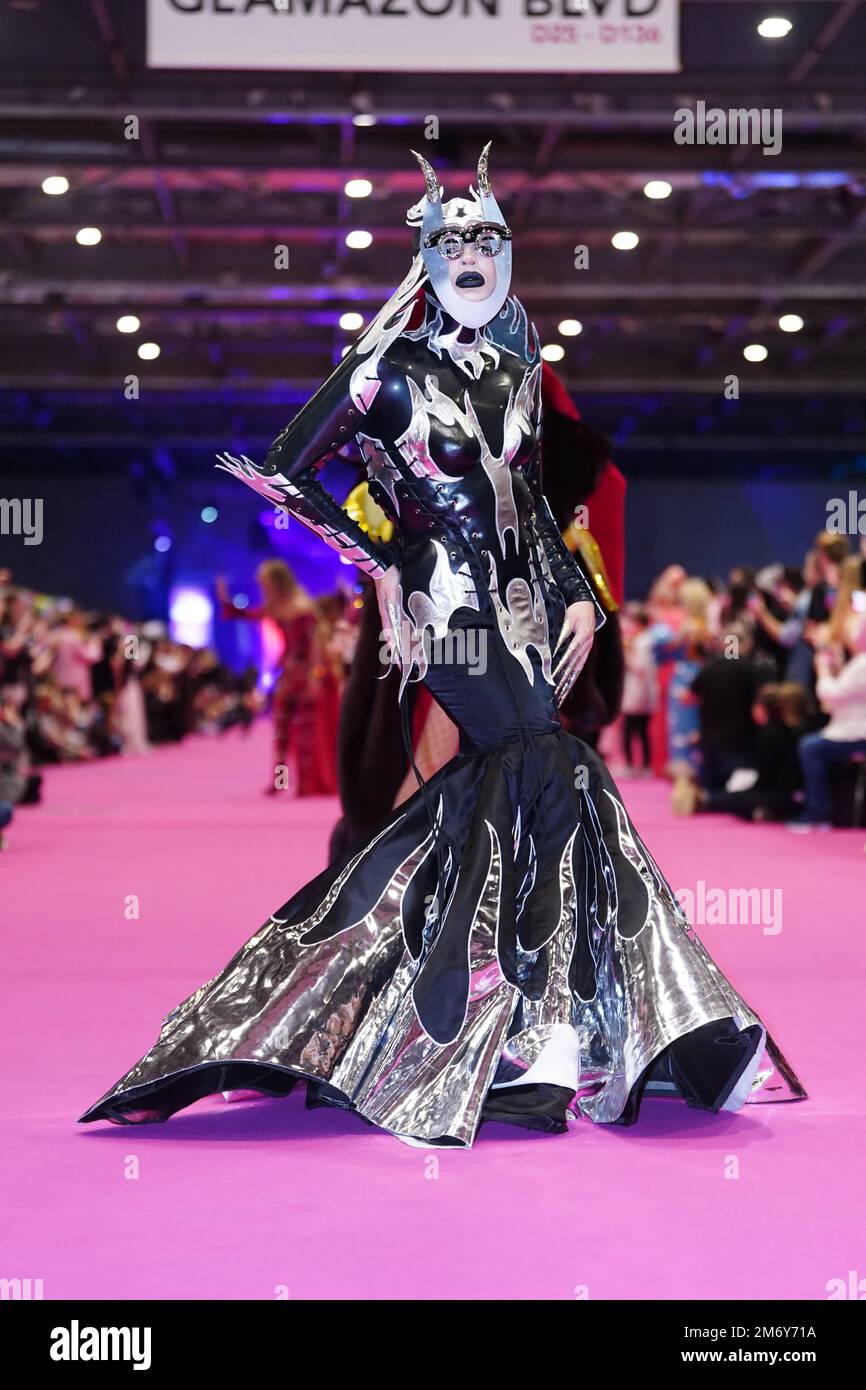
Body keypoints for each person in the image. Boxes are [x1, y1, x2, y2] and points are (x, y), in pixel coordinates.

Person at [80, 144, 804, 1148]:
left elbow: (527, 513)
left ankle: (424, 1015)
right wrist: (378, 558)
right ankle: (552, 1028)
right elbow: (284, 469)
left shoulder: (516, 374)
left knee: (475, 805)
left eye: (486, 239)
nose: (470, 253)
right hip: (441, 610)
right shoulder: (383, 374)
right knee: (549, 768)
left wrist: (584, 598)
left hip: (523, 612)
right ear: (423, 255)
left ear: (505, 257)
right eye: (451, 239)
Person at [217, 561, 318, 796]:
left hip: (303, 676)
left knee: (304, 731)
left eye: (266, 584)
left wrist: (313, 675)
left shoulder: (302, 607)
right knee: (281, 731)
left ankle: (305, 784)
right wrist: (225, 600)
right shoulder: (275, 607)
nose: (264, 588)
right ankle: (279, 782)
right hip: (286, 675)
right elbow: (246, 614)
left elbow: (313, 646)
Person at [788, 608, 866, 832]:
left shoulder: (862, 663)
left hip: (857, 732)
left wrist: (822, 668)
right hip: (850, 727)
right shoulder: (857, 662)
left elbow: (831, 693)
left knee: (810, 747)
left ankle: (817, 812)